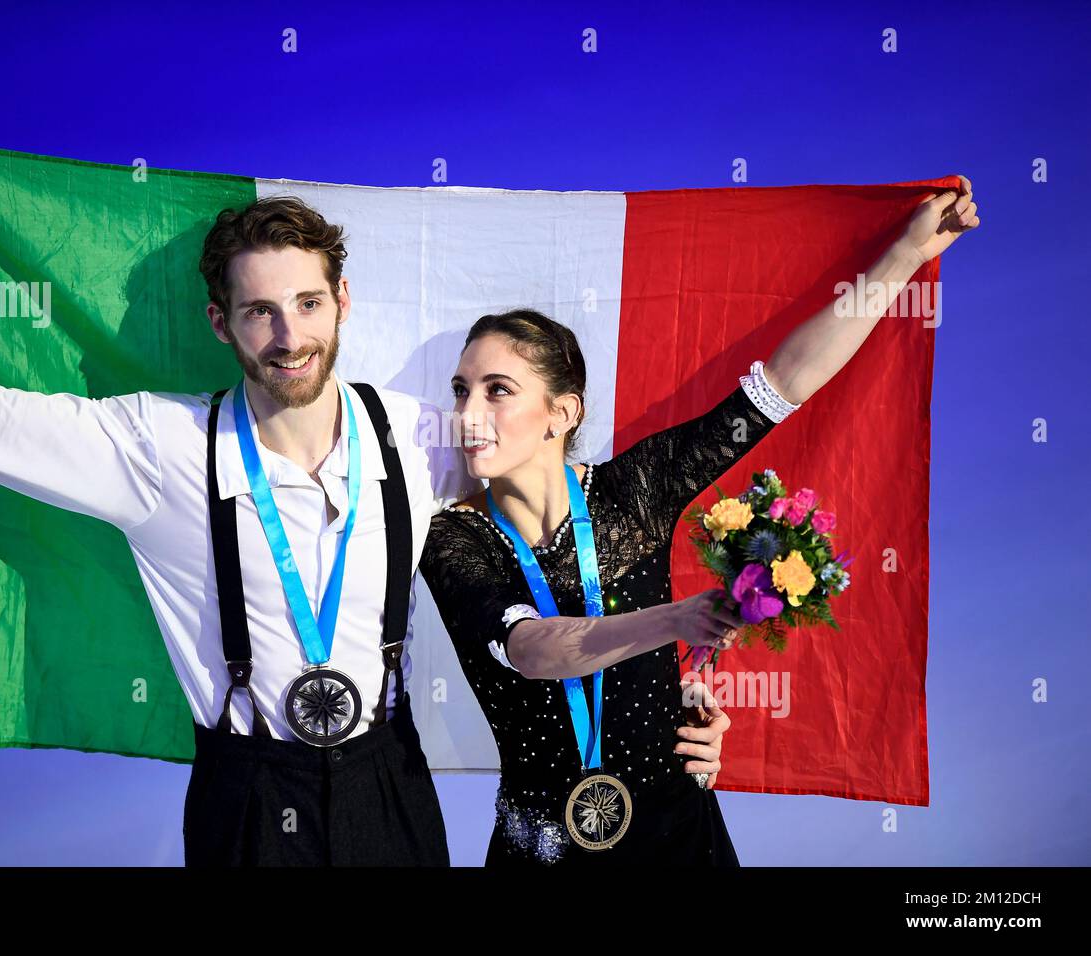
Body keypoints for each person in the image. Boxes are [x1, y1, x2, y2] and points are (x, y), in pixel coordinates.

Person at [0, 124, 737, 866]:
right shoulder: (160, 444)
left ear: (343, 302)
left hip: (392, 787)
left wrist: (678, 705)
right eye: (259, 311)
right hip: (247, 795)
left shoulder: (422, 438)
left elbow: (574, 511)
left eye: (307, 304)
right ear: (220, 322)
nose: (288, 335)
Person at [419, 183, 980, 866]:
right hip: (539, 848)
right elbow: (532, 650)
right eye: (459, 390)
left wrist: (906, 253)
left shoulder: (636, 489)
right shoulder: (451, 535)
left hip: (679, 836)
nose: (468, 411)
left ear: (562, 413)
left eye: (496, 390)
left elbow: (781, 384)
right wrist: (674, 621)